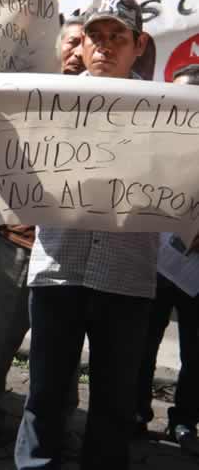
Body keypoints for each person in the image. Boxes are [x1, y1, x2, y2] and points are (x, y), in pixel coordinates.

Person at [5, 0, 157, 470]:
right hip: (58, 271)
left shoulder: (170, 113)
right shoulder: (45, 102)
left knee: (113, 401)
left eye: (118, 37)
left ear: (139, 45)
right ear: (82, 42)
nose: (104, 47)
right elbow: (4, 157)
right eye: (95, 36)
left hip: (126, 276)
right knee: (46, 394)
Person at [0, 14, 87, 447]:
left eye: (84, 43)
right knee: (1, 333)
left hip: (72, 247)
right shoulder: (25, 93)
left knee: (65, 344)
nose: (77, 51)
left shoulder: (107, 101)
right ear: (55, 48)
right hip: (19, 239)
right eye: (70, 42)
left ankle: (59, 422)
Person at [133, 62, 199, 456]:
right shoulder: (151, 139)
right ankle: (136, 411)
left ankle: (185, 420)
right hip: (152, 260)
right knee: (141, 343)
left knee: (196, 352)